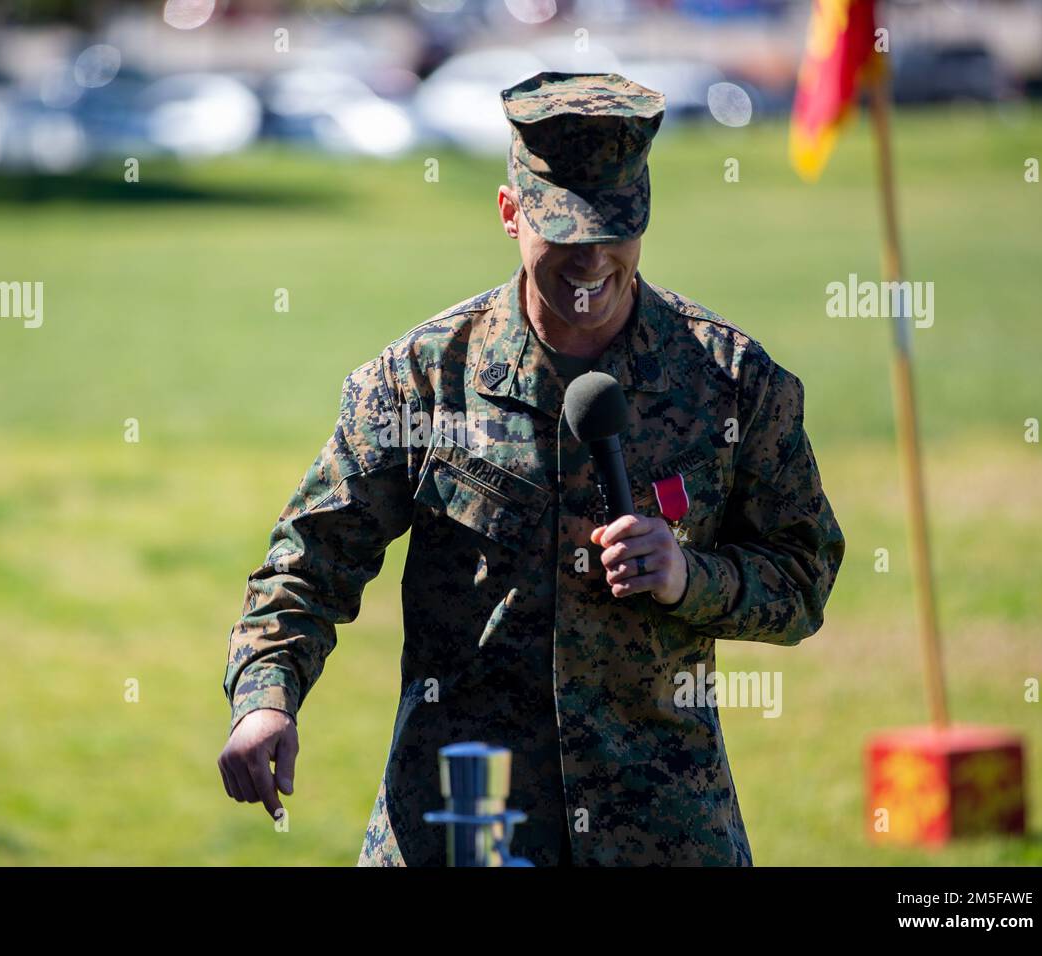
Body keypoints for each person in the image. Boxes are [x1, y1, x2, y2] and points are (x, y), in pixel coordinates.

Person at [219, 72, 845, 866]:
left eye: (611, 231)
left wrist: (691, 578)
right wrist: (265, 702)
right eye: (564, 233)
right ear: (511, 214)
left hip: (658, 831)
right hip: (465, 822)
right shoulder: (421, 380)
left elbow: (803, 575)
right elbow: (306, 566)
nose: (589, 261)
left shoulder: (730, 381)